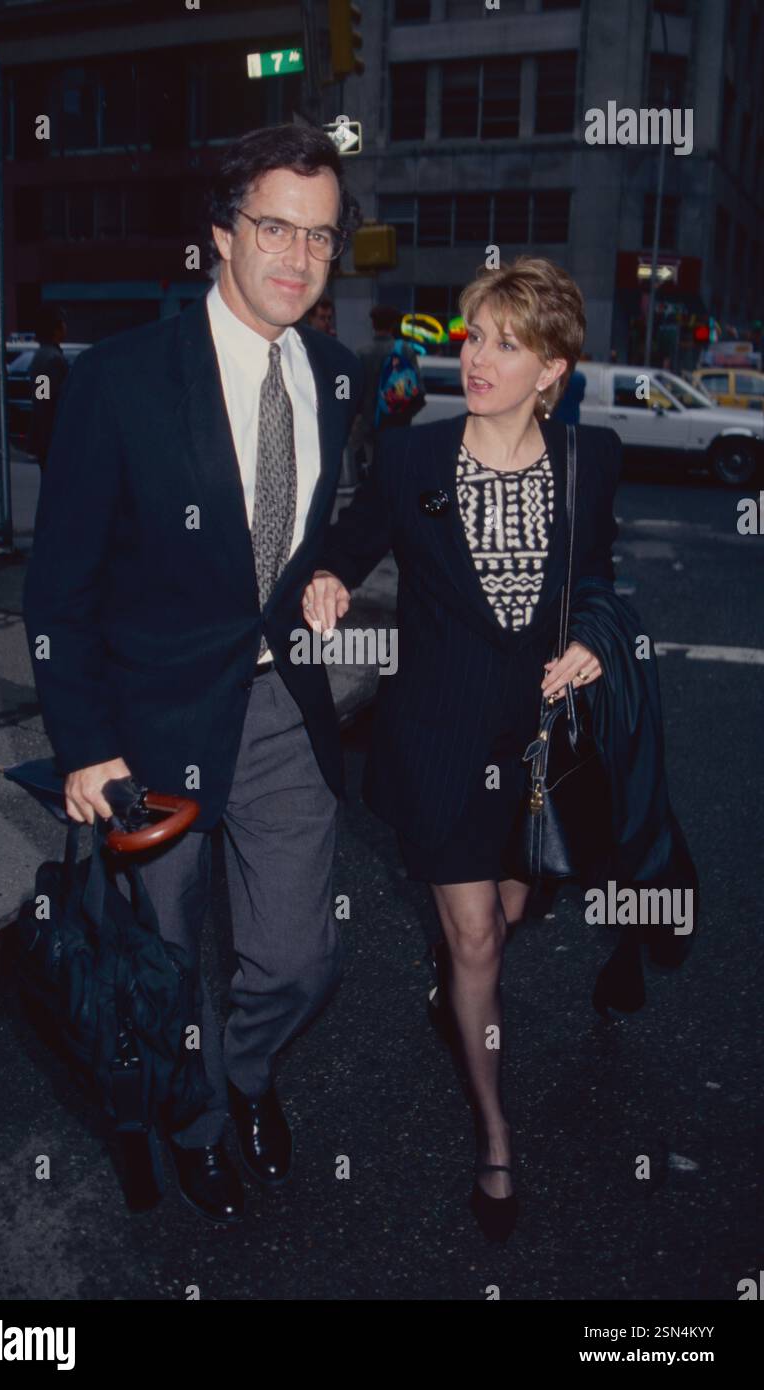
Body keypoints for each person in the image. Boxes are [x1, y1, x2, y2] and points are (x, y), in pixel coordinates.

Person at [23, 123, 364, 1225]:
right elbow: (59, 588)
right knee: (167, 964)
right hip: (148, 721)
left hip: (281, 708)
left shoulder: (341, 377)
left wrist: (325, 575)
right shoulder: (120, 379)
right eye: (275, 226)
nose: (298, 257)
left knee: (301, 956)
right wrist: (82, 742)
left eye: (320, 236)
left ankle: (249, 1071)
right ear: (222, 233)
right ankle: (202, 1124)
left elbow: (314, 526)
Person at [303, 257, 624, 1242]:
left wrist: (594, 645)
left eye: (505, 344)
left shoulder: (589, 459)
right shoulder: (411, 462)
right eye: (472, 335)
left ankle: (458, 982)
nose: (476, 358)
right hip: (437, 737)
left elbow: (604, 584)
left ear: (552, 372)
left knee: (515, 906)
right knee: (478, 932)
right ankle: (495, 1132)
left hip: (533, 751)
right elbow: (345, 545)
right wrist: (325, 581)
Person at [350, 305, 424, 469]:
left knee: (374, 469)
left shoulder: (361, 353)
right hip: (399, 426)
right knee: (397, 471)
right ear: (393, 326)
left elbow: (348, 392)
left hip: (370, 426)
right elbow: (419, 391)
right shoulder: (405, 351)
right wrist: (405, 414)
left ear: (373, 325)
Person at [25, 304, 70, 470]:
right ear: (56, 329)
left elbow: (41, 398)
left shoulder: (42, 355)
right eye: (63, 322)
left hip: (46, 436)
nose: (66, 326)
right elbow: (44, 400)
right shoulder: (52, 359)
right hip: (52, 436)